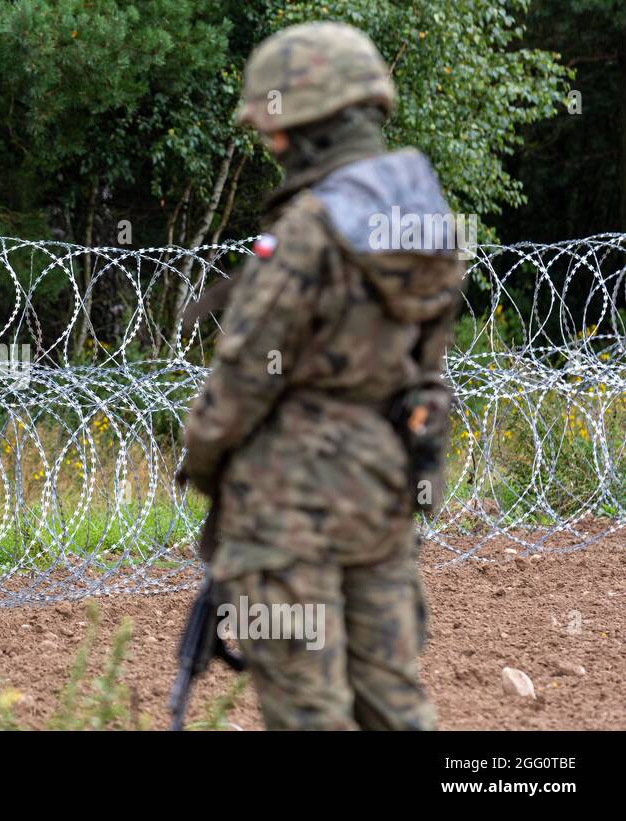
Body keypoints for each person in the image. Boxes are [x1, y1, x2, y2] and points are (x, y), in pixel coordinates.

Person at [175, 21, 465, 730]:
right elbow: (427, 370)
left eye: (274, 130)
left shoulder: (310, 228)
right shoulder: (429, 224)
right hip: (381, 489)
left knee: (310, 711)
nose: (271, 145)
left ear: (305, 125)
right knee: (394, 703)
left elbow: (242, 378)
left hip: (287, 501)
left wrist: (203, 465)